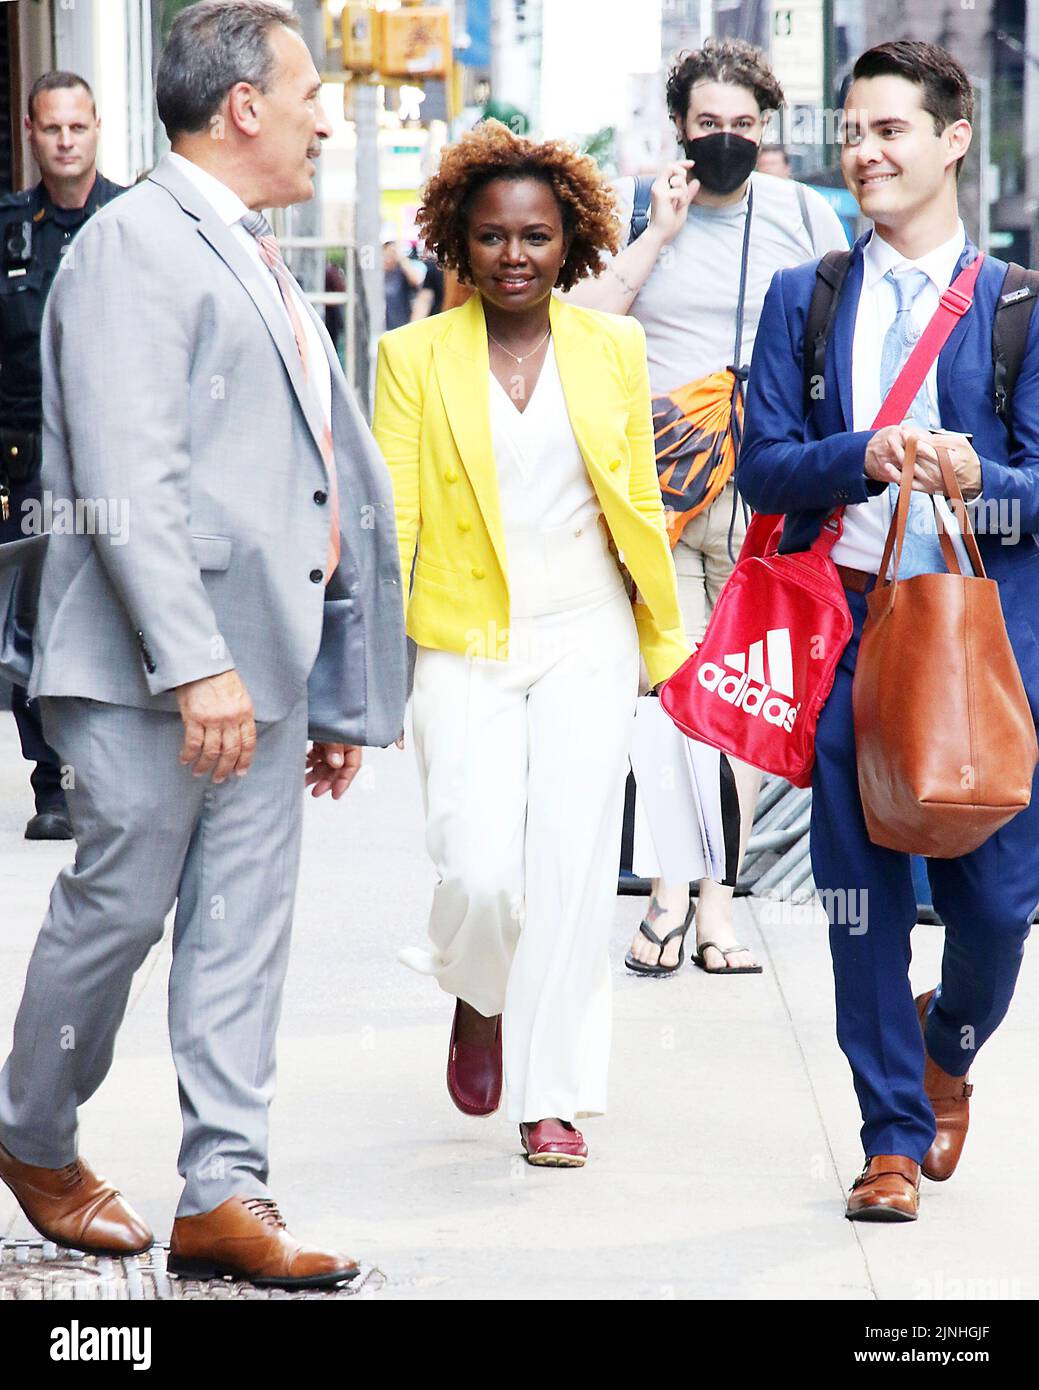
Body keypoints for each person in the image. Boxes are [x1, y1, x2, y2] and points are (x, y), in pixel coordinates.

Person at [0, 0, 406, 1285]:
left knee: (241, 927)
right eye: (307, 97)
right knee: (120, 908)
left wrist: (330, 684)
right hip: (147, 674)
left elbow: (313, 478)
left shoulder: (252, 248)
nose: (324, 119)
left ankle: (225, 1189)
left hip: (263, 668)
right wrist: (199, 665)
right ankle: (30, 1134)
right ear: (241, 107)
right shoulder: (133, 245)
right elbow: (128, 480)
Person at [739, 40, 1039, 1222]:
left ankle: (946, 1045)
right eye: (851, 133)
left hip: (986, 653)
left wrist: (980, 481)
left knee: (999, 909)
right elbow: (763, 471)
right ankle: (888, 1140)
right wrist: (862, 456)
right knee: (858, 897)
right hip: (845, 643)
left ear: (952, 140)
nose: (862, 152)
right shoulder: (804, 299)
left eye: (888, 132)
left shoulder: (1017, 310)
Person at [374, 121, 689, 1167]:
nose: (515, 255)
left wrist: (663, 648)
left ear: (571, 243)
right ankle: (478, 986)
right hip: (462, 637)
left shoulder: (613, 347)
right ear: (458, 245)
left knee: (568, 863)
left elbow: (636, 502)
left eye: (537, 236)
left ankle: (552, 1092)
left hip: (586, 633)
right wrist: (372, 671)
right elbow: (398, 523)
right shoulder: (408, 357)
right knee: (477, 873)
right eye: (494, 237)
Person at [568, 37, 848, 977]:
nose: (724, 140)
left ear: (763, 130)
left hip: (764, 498)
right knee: (669, 701)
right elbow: (589, 325)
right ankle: (664, 897)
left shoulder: (804, 214)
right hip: (664, 499)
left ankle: (716, 904)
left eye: (741, 127)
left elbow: (840, 337)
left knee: (732, 702)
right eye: (706, 126)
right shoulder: (643, 211)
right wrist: (659, 234)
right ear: (678, 128)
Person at [0, 71, 125, 841]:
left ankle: (113, 774)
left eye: (78, 127)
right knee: (37, 625)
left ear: (97, 128)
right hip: (29, 457)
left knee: (120, 614)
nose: (66, 141)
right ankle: (55, 784)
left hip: (121, 454)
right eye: (52, 129)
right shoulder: (9, 231)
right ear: (30, 131)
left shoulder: (136, 221)